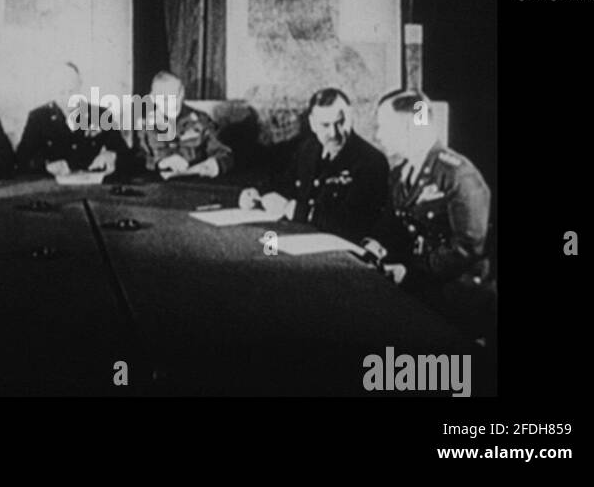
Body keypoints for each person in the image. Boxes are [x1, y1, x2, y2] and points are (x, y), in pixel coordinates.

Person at [362, 89, 494, 339]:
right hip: (419, 290)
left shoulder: (457, 174)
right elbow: (393, 223)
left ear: (411, 127)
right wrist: (375, 245)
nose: (378, 136)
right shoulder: (401, 173)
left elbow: (467, 248)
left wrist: (411, 273)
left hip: (457, 300)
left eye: (384, 127)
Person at [238, 88, 389, 243]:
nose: (333, 133)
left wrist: (296, 210)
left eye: (340, 123)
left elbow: (354, 225)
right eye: (325, 125)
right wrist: (256, 195)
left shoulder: (371, 161)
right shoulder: (307, 150)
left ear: (350, 118)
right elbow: (282, 184)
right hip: (300, 240)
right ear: (312, 123)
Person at [16, 62, 134, 178]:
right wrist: (46, 166)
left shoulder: (100, 115)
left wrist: (113, 156)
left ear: (80, 85)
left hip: (92, 188)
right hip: (53, 190)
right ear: (52, 90)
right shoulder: (38, 118)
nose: (67, 98)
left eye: (72, 91)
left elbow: (129, 158)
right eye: (61, 92)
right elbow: (20, 161)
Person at [135, 71, 233, 178]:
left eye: (176, 95)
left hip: (197, 184)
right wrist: (161, 163)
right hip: (160, 185)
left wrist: (216, 164)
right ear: (153, 98)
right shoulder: (145, 125)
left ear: (182, 92)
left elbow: (225, 153)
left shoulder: (201, 120)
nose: (172, 103)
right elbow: (138, 159)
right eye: (165, 99)